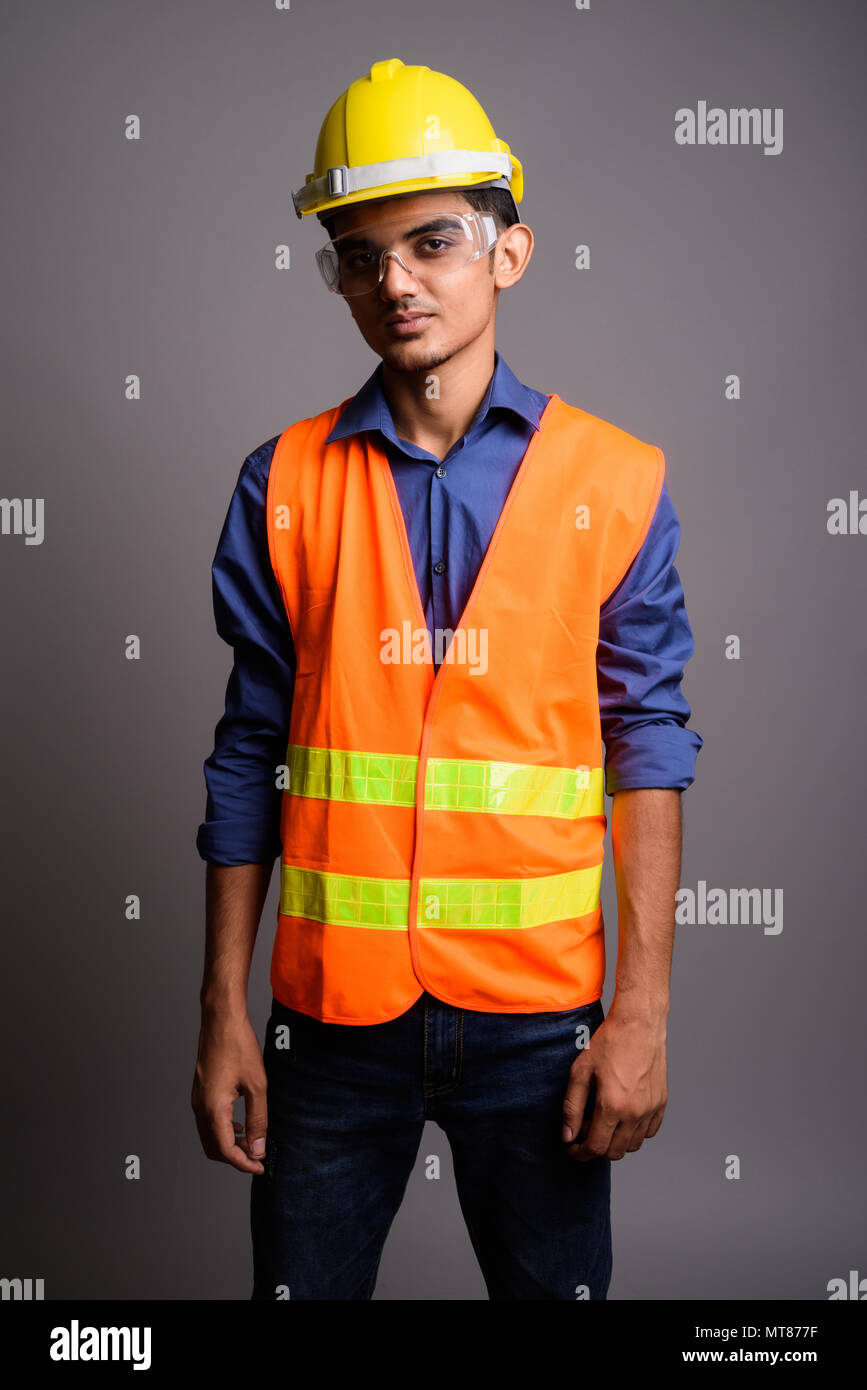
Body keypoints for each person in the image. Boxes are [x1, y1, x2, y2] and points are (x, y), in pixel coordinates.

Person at [191, 57, 703, 1301]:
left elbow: (650, 743)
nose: (394, 281)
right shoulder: (285, 484)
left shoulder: (616, 483)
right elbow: (247, 749)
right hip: (327, 1026)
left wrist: (642, 1012)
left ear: (509, 253)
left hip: (540, 1029)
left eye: (431, 241)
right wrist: (222, 1008)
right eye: (358, 255)